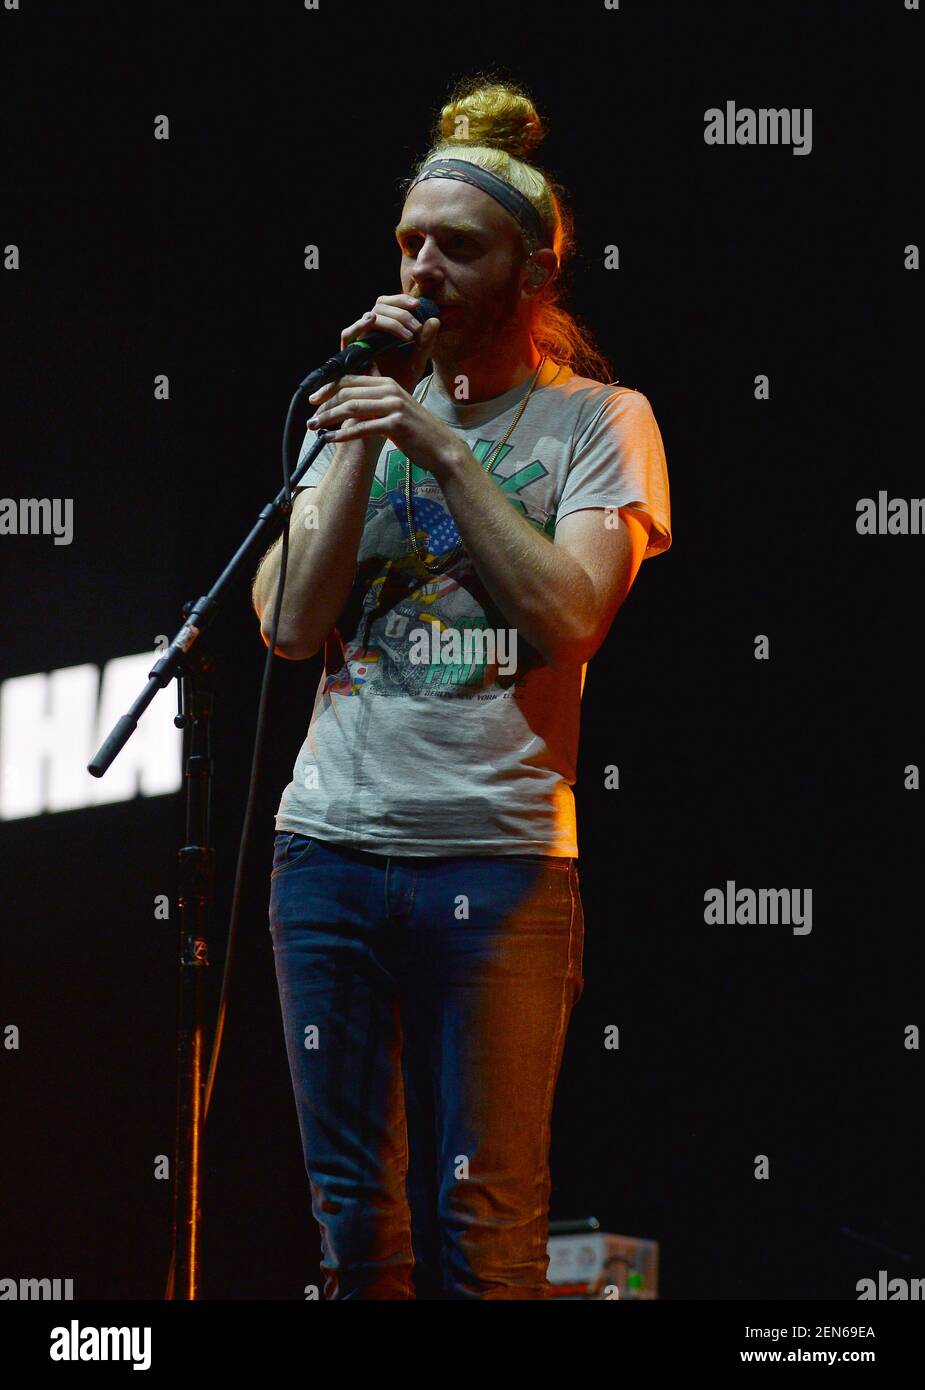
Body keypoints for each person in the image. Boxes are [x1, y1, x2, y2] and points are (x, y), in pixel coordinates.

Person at [251, 75, 672, 1300]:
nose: (423, 267)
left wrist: (440, 442)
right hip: (325, 847)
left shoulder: (599, 421)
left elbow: (568, 616)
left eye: (459, 247)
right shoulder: (360, 408)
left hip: (495, 863)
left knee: (482, 1234)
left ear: (531, 276)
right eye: (409, 242)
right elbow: (284, 623)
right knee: (351, 1230)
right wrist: (373, 434)